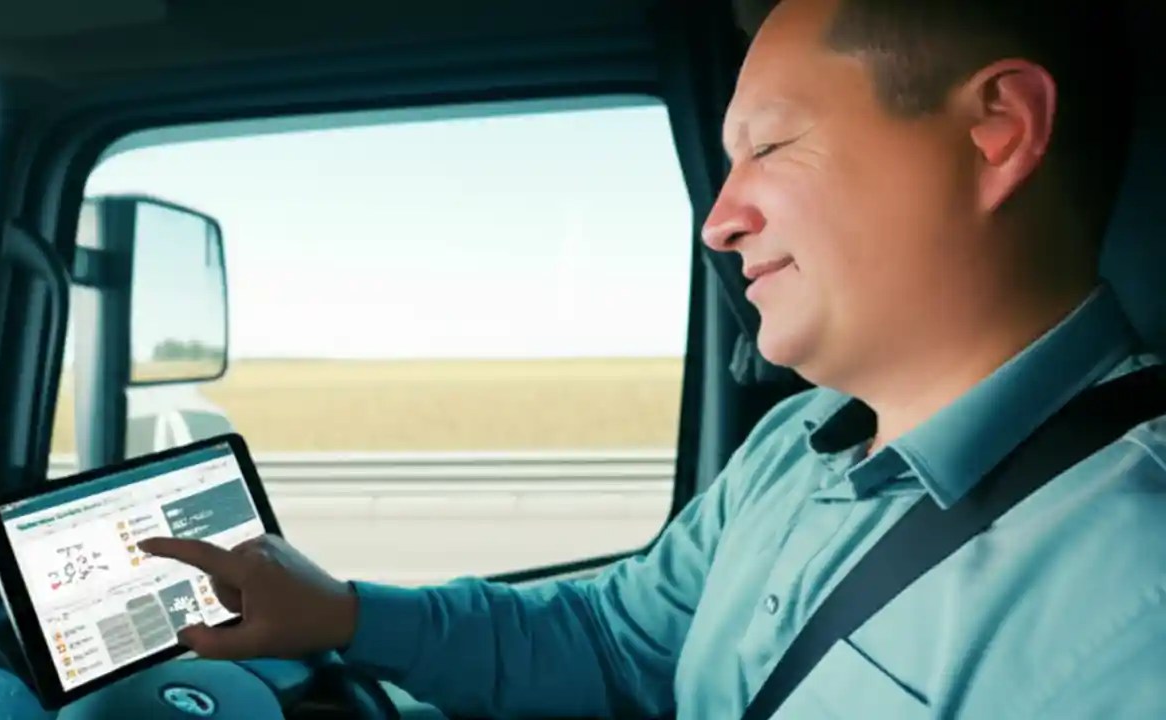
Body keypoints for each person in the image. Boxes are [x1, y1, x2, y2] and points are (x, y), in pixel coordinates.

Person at [140, 0, 1164, 716]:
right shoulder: (796, 444)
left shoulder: (1133, 586)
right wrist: (342, 614)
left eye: (768, 146)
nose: (719, 222)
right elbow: (618, 639)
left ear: (996, 130)